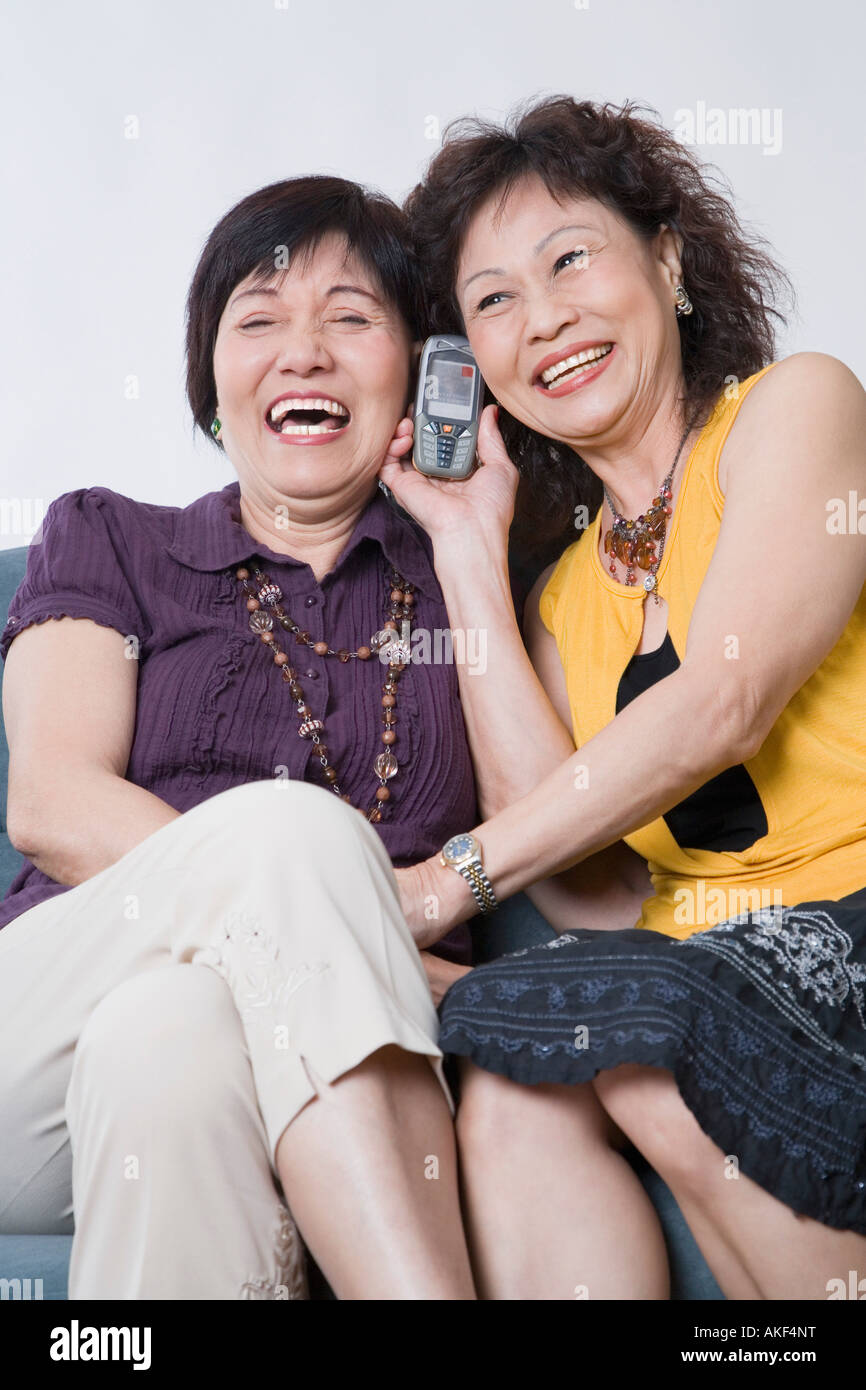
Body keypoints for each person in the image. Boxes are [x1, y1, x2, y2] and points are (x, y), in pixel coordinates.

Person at [378, 96, 866, 1300]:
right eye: (491, 301)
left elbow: (726, 697)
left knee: (634, 1023)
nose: (541, 318)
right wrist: (463, 551)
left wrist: (446, 882)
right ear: (470, 366)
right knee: (517, 1075)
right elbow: (594, 893)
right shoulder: (557, 603)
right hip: (693, 966)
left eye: (569, 259)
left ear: (666, 255)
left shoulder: (794, 411)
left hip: (843, 928)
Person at [0, 175, 479, 1300]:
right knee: (287, 836)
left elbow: (565, 848)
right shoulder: (110, 537)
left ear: (418, 371)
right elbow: (52, 802)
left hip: (227, 1074)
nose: (300, 352)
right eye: (257, 321)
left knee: (170, 1042)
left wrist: (467, 545)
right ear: (211, 383)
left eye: (350, 318)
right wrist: (347, 943)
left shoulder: (473, 593)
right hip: (32, 1045)